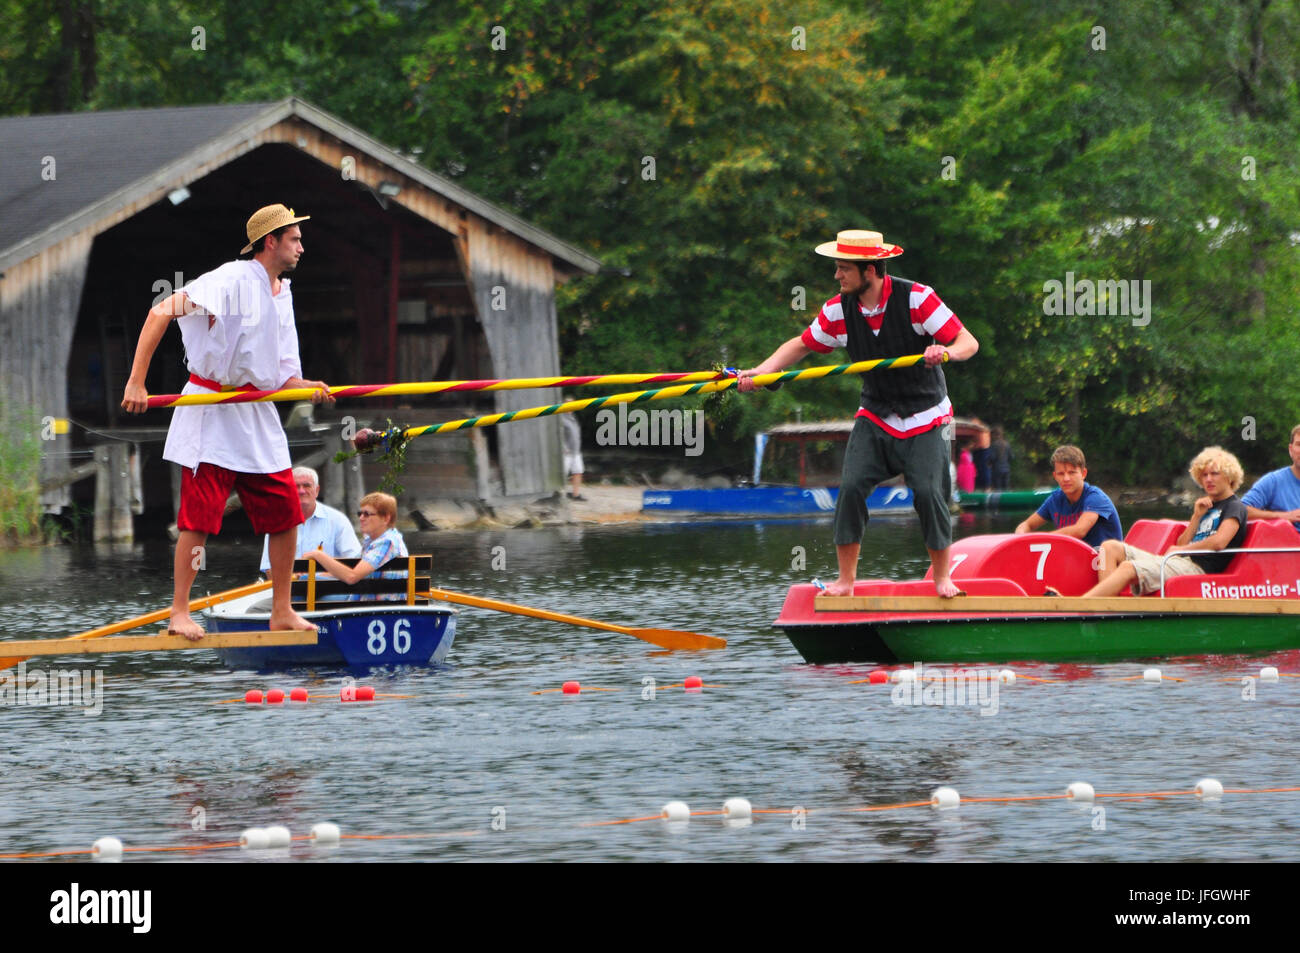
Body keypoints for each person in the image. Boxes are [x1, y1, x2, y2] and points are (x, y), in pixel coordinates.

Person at [121, 204, 332, 639]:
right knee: (199, 520)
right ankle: (179, 611)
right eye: (294, 239)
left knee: (286, 514)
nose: (301, 247)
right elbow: (161, 311)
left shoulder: (283, 293)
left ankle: (281, 609)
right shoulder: (230, 280)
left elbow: (280, 372)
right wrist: (136, 381)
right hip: (211, 410)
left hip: (255, 412)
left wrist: (305, 384)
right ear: (270, 241)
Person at [738, 228, 979, 597]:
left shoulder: (917, 298)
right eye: (836, 268)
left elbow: (967, 342)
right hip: (876, 415)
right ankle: (845, 583)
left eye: (843, 269)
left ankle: (942, 579)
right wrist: (761, 371)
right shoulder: (838, 310)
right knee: (850, 488)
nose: (837, 276)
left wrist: (945, 352)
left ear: (871, 270)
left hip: (927, 417)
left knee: (929, 493)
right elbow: (801, 346)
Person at [1082, 447, 1247, 597]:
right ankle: (1107, 606)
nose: (1208, 479)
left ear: (1228, 476)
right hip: (1181, 561)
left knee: (1128, 567)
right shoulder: (1205, 506)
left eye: (1214, 474)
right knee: (1109, 548)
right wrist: (1196, 517)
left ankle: (1084, 606)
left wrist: (1182, 549)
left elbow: (1219, 542)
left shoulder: (1234, 506)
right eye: (1204, 475)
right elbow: (1181, 544)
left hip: (1199, 570)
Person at [304, 492, 409, 601]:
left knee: (307, 588)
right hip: (365, 599)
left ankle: (291, 615)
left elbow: (351, 576)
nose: (361, 518)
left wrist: (318, 555)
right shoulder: (373, 541)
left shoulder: (387, 542)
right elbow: (351, 570)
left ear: (386, 518)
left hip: (374, 607)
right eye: (360, 513)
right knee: (305, 580)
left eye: (367, 514)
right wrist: (312, 574)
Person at [1014, 445, 1123, 547]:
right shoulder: (1055, 499)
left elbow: (1080, 530)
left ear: (1083, 474)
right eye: (1061, 474)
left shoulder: (1096, 497)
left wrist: (1043, 540)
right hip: (1074, 561)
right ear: (1055, 476)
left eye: (1072, 473)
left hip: (1105, 561)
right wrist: (1020, 538)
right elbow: (1027, 524)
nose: (1066, 479)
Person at [259, 466, 361, 573]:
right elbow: (269, 567)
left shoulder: (338, 520)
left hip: (329, 587)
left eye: (307, 486)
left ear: (316, 491)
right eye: (296, 486)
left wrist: (314, 579)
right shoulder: (277, 523)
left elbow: (354, 562)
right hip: (292, 587)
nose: (301, 491)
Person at [1241, 425, 1300, 534]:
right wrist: (1284, 516)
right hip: (1286, 547)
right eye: (1299, 444)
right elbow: (1240, 511)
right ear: (1290, 449)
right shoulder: (1274, 481)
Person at [561, 411, 586, 501]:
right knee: (563, 473)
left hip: (576, 451)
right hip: (566, 452)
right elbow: (559, 434)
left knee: (578, 471)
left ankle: (575, 494)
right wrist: (563, 447)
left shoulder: (573, 418)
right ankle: (560, 494)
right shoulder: (561, 418)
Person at [989, 426, 1012, 490]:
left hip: (997, 469)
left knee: (998, 489)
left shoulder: (994, 444)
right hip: (1007, 468)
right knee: (1006, 488)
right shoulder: (1007, 444)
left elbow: (992, 458)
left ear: (994, 435)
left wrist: (989, 463)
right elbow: (1011, 457)